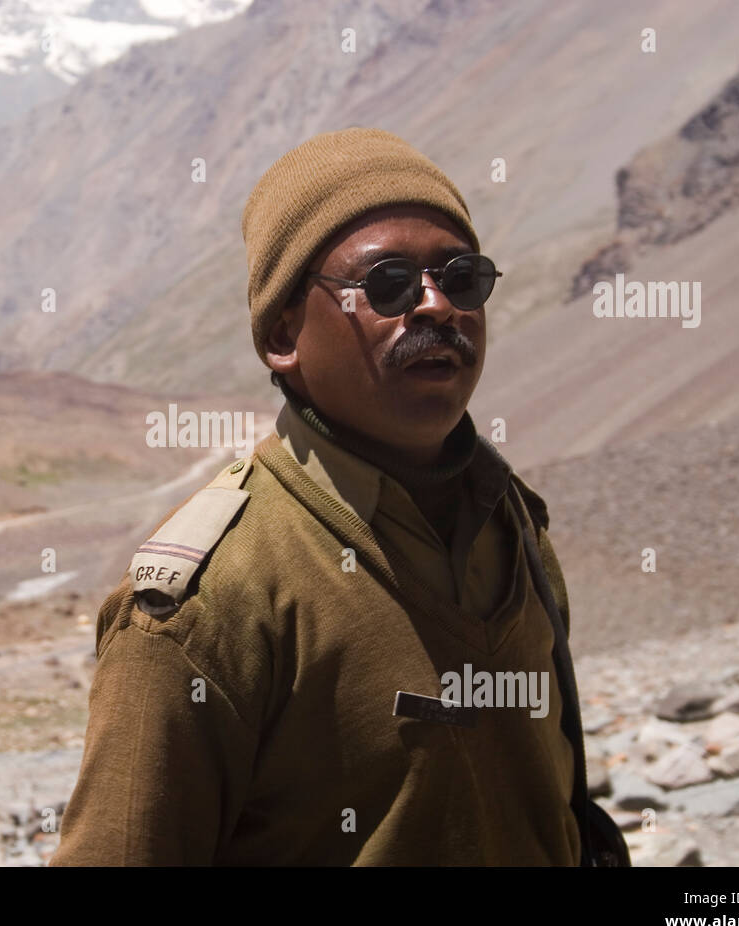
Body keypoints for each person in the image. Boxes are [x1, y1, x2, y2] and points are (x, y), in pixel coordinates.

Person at [49, 127, 628, 866]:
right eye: (386, 284)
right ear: (283, 333)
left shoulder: (512, 521)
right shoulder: (207, 603)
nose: (435, 306)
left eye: (461, 278)